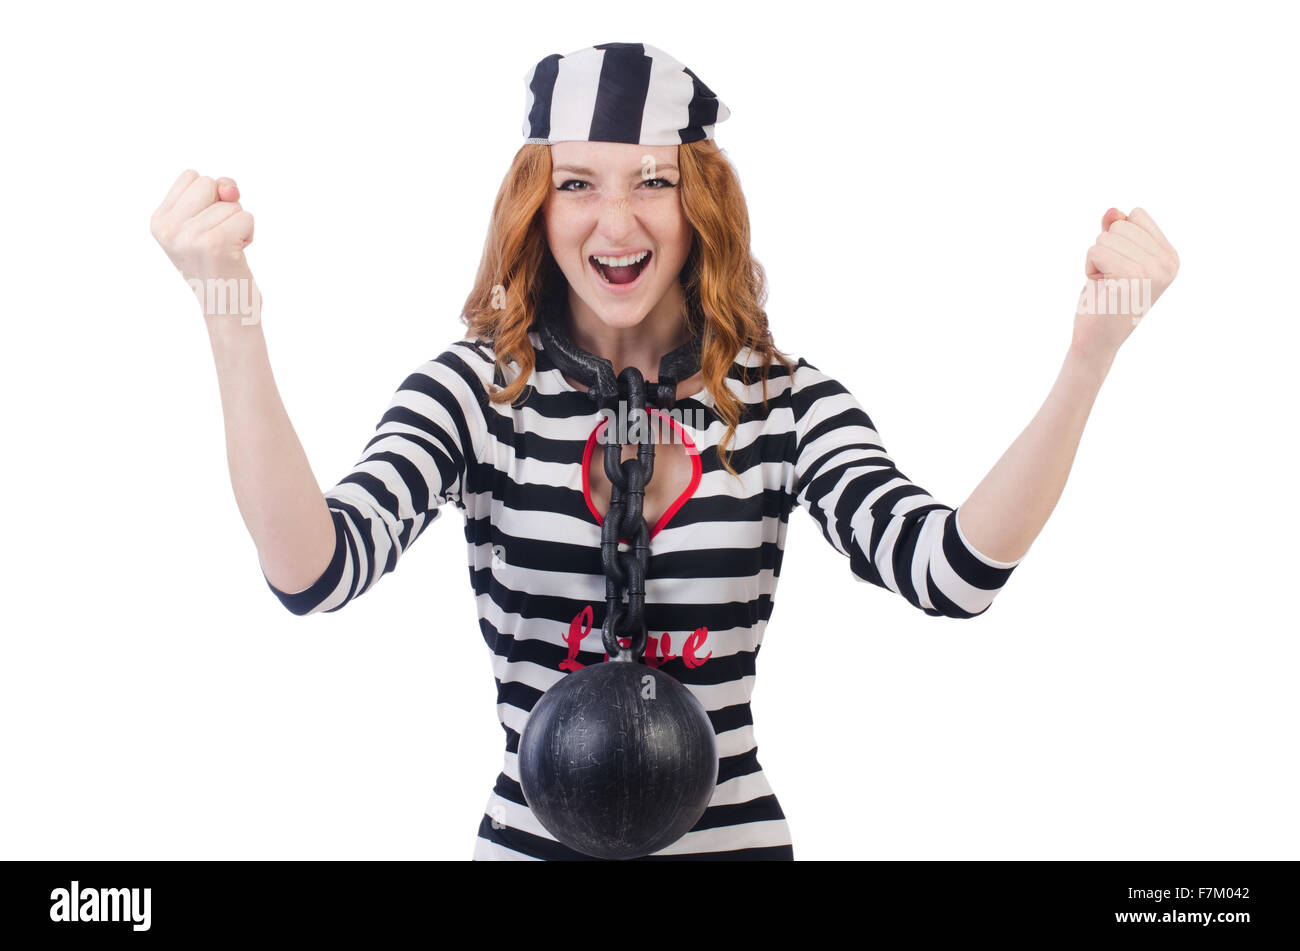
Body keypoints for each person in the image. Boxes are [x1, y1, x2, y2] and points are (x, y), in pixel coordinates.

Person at [149, 42, 1180, 861]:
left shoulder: (779, 401)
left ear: (700, 205)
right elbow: (313, 570)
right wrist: (228, 316)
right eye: (576, 185)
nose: (616, 219)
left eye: (652, 181)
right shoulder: (477, 391)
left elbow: (948, 571)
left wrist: (1090, 354)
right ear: (533, 208)